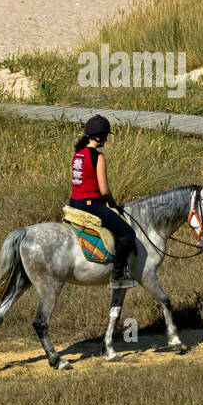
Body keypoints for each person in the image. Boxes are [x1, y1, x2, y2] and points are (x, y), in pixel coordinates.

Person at [69, 115, 136, 287]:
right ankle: (118, 274)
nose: (106, 139)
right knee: (128, 234)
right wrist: (113, 204)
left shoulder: (78, 154)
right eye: (105, 135)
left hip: (74, 204)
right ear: (99, 137)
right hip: (91, 205)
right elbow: (104, 191)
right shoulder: (98, 157)